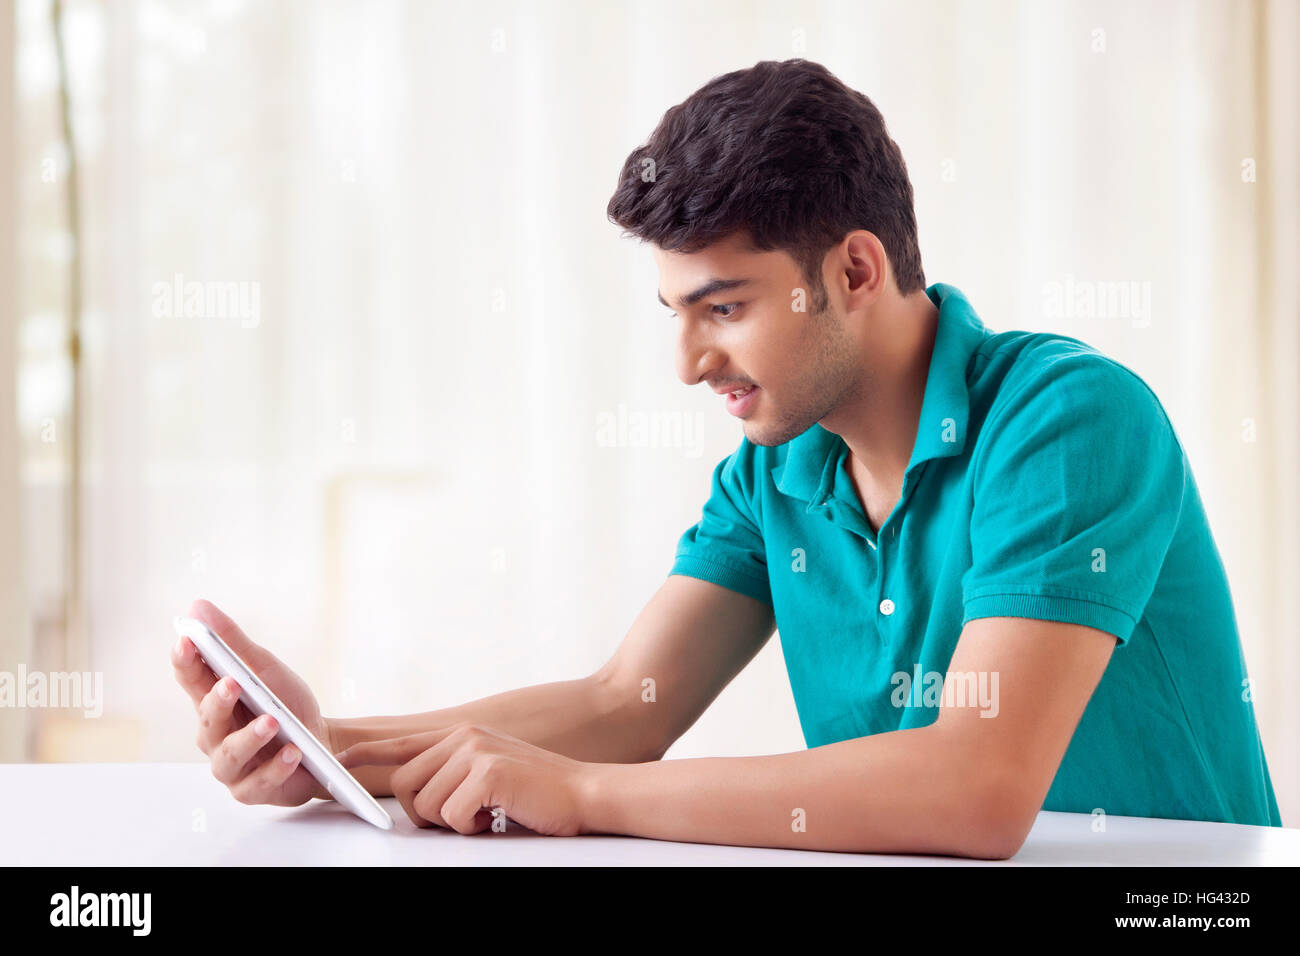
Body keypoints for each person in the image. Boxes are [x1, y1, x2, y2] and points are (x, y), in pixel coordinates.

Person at [171, 58, 1281, 858]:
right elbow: (623, 702)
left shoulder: (1068, 420)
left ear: (852, 270)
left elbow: (977, 787)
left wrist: (585, 796)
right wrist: (321, 743)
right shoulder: (777, 468)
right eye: (674, 311)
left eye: (725, 306)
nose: (689, 360)